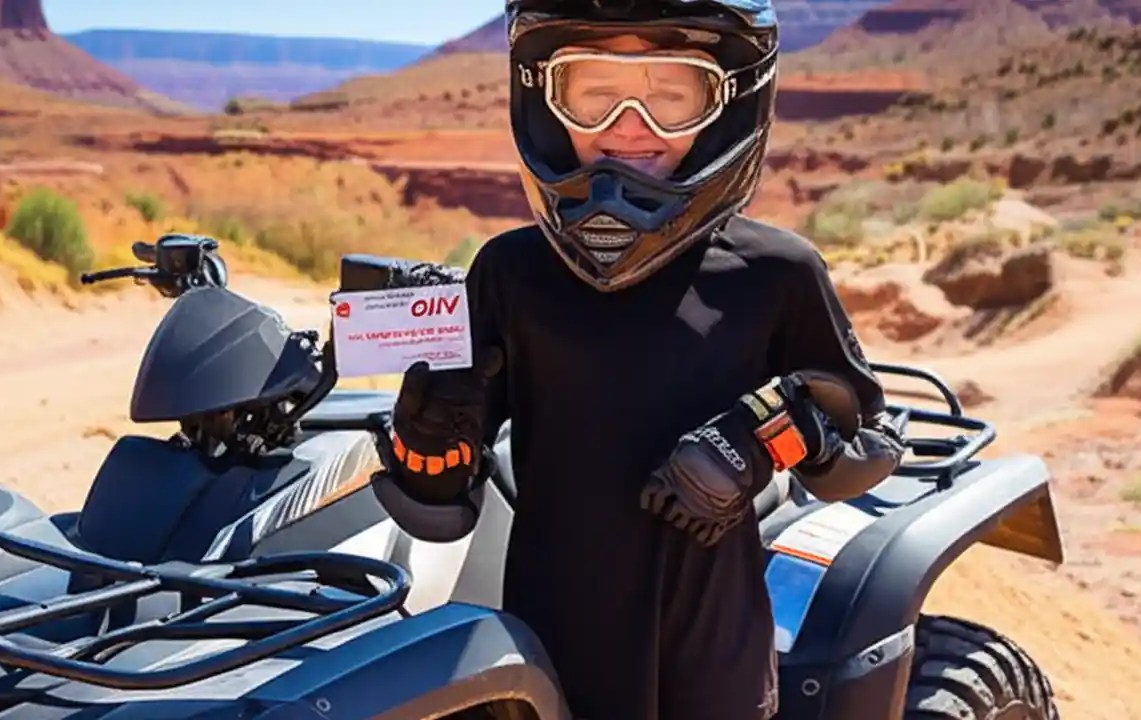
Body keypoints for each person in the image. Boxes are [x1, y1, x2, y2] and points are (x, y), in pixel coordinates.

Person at [370, 1, 906, 718]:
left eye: (670, 95)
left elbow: (865, 445)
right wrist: (430, 441)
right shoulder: (508, 273)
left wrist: (758, 440)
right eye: (592, 94)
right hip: (550, 657)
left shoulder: (776, 272)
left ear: (728, 103)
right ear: (543, 100)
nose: (629, 124)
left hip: (714, 661)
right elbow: (439, 511)